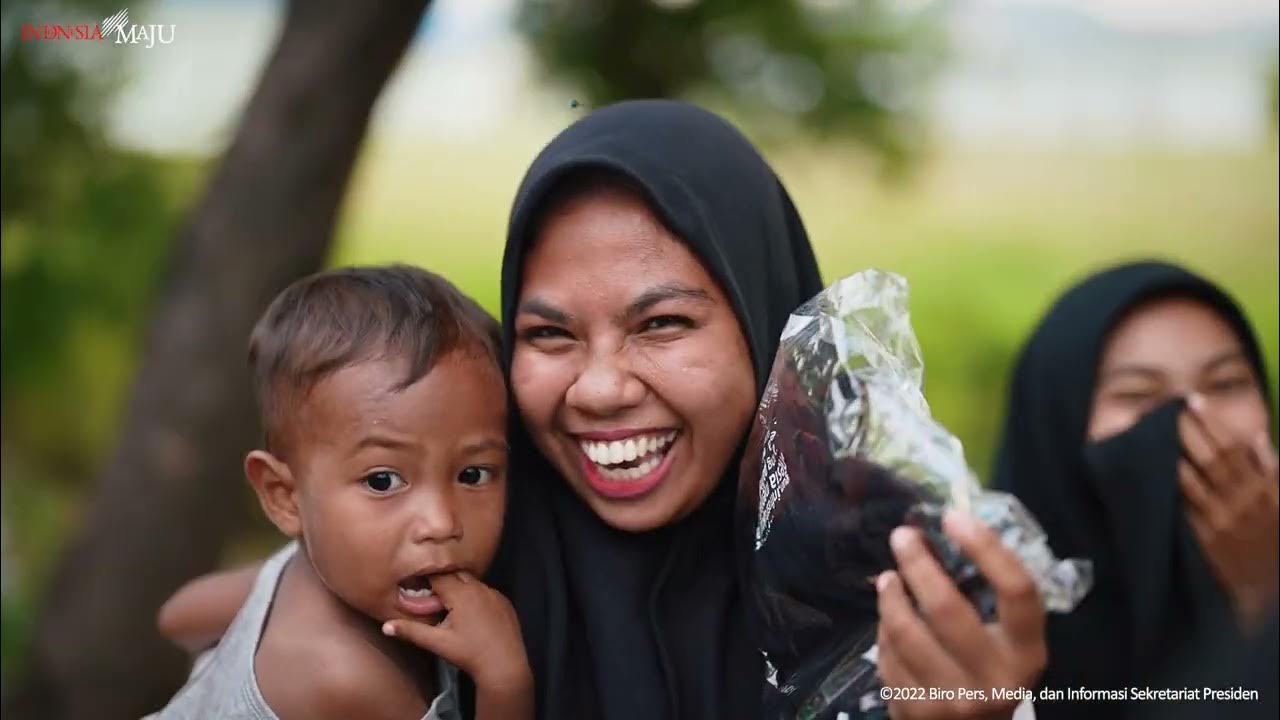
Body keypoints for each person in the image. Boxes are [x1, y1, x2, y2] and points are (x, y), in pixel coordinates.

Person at [159, 102, 1050, 720]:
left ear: (764, 320)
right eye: (550, 335)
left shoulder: (887, 570)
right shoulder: (462, 531)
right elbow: (218, 625)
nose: (600, 387)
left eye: (661, 323)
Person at [148, 266, 533, 720]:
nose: (441, 522)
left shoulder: (299, 567)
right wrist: (505, 681)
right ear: (284, 495)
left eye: (473, 474)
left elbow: (178, 617)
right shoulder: (345, 679)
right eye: (382, 481)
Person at [991, 261, 1279, 720]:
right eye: (1137, 394)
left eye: (1226, 383)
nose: (1193, 416)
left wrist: (1264, 601)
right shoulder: (988, 639)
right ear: (1055, 426)